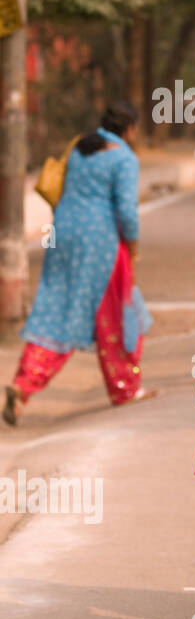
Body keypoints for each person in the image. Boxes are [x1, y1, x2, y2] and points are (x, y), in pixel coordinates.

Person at [3, 102, 155, 425]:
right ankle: (125, 387)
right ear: (130, 129)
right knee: (120, 315)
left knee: (56, 312)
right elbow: (127, 212)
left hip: (61, 237)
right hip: (101, 244)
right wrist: (133, 245)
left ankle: (23, 384)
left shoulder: (78, 147)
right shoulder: (124, 157)